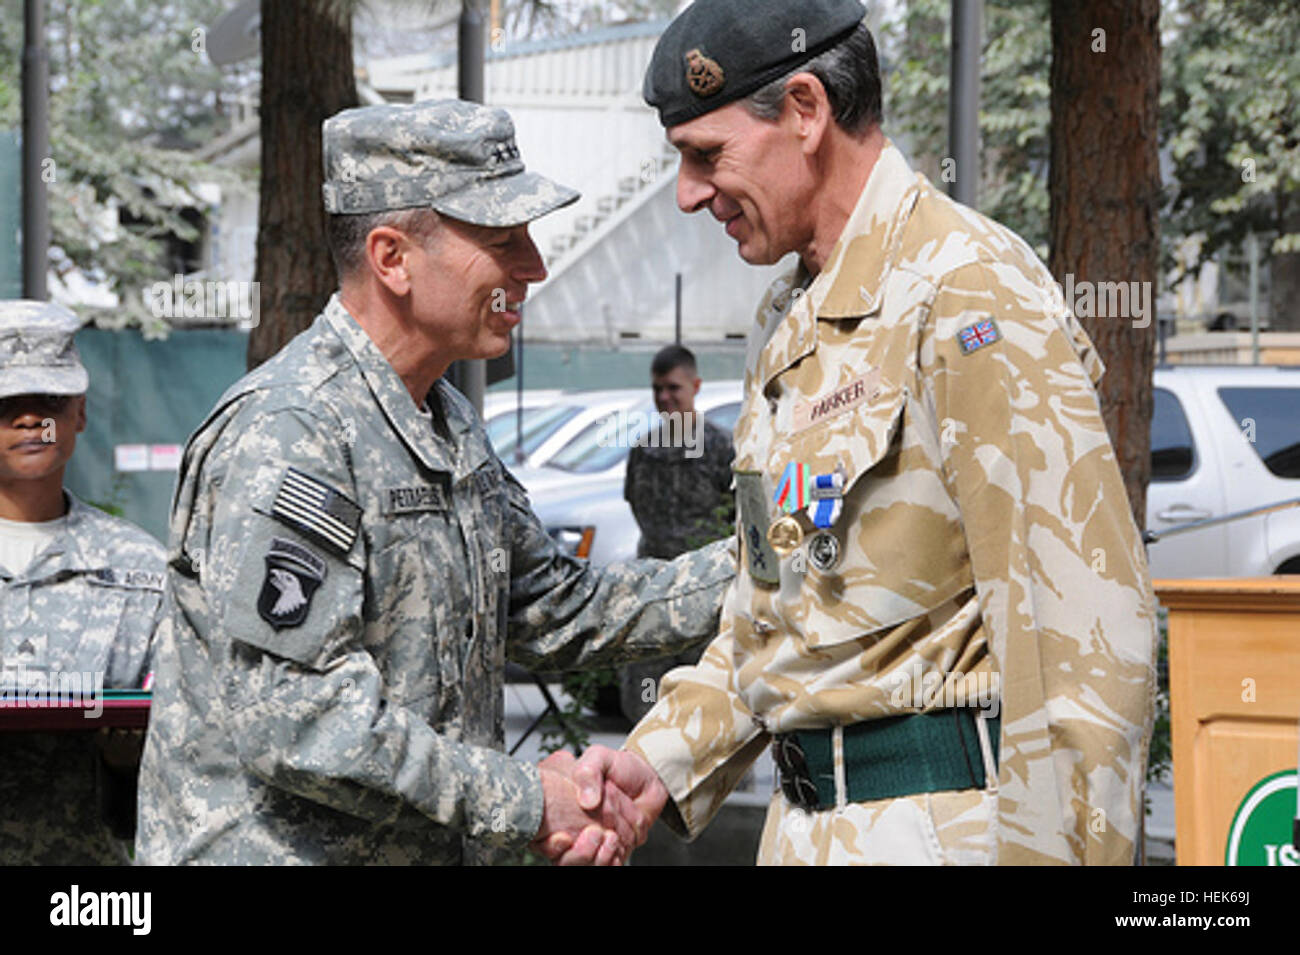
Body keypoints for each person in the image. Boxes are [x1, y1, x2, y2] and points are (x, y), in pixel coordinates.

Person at [553, 0, 1157, 866]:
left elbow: (1084, 647)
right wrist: (663, 760)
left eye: (705, 155)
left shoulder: (967, 289)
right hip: (807, 831)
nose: (687, 195)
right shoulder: (790, 314)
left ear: (805, 110)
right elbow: (778, 612)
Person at [134, 99, 734, 866]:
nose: (534, 265)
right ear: (392, 257)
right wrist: (524, 799)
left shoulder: (445, 420)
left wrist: (757, 569)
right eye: (501, 239)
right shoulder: (291, 431)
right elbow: (304, 720)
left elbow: (553, 607)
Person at [0, 299, 165, 864]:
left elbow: (188, 779)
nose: (29, 421)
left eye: (49, 402)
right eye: (7, 405)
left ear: (79, 414)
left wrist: (125, 760)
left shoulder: (142, 573)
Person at [620, 344, 733, 723]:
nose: (664, 398)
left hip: (708, 596)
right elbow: (636, 503)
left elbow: (738, 515)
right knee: (647, 709)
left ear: (695, 386)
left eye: (673, 388)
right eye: (657, 389)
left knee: (711, 709)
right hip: (653, 592)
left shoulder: (721, 448)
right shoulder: (644, 449)